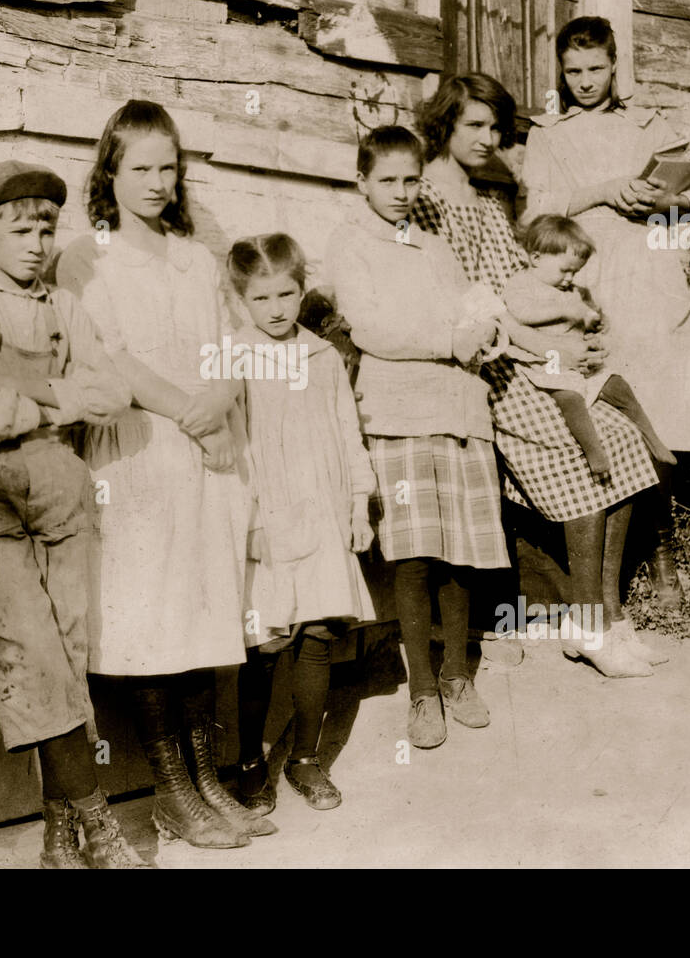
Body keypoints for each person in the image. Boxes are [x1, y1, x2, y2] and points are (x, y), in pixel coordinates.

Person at [57, 99, 273, 848]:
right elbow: (110, 359)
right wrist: (195, 416)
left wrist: (222, 401)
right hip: (142, 453)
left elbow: (223, 344)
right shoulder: (87, 258)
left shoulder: (196, 257)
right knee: (152, 619)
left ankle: (208, 780)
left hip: (209, 451)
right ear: (109, 171)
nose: (155, 182)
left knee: (203, 612)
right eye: (139, 168)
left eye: (167, 168)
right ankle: (170, 792)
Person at [409, 74, 664, 677]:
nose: (488, 138)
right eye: (474, 125)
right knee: (580, 452)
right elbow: (470, 305)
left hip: (524, 357)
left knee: (623, 440)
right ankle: (589, 625)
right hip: (479, 368)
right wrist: (545, 353)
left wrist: (564, 343)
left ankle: (604, 614)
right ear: (444, 124)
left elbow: (521, 293)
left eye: (496, 128)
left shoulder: (493, 209)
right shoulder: (419, 201)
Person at [0, 160, 145, 868]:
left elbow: (115, 390)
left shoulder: (65, 306)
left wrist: (33, 398)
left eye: (48, 228)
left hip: (64, 483)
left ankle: (61, 838)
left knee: (71, 654)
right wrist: (60, 396)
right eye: (20, 228)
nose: (36, 242)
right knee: (29, 654)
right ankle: (101, 825)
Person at [326, 124, 509, 749]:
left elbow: (472, 307)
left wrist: (482, 329)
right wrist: (448, 337)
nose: (401, 192)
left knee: (459, 549)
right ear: (362, 182)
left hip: (458, 408)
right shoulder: (350, 245)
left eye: (411, 180)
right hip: (399, 411)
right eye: (388, 181)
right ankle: (423, 688)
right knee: (414, 551)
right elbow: (375, 326)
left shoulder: (434, 246)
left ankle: (458, 675)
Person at [520, 16, 690, 604]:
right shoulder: (549, 135)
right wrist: (602, 190)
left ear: (615, 65)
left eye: (596, 68)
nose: (584, 80)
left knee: (662, 407)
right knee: (609, 404)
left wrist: (667, 197)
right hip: (592, 280)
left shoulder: (649, 125)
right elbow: (535, 213)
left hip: (651, 275)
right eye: (573, 71)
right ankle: (608, 568)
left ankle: (661, 547)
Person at [226, 233, 375, 811]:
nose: (277, 309)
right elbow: (232, 444)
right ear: (242, 300)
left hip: (321, 511)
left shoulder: (324, 356)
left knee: (316, 634)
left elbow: (347, 432)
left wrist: (358, 505)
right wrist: (250, 520)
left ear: (302, 288)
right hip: (264, 516)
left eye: (287, 293)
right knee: (264, 643)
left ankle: (306, 759)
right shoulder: (235, 357)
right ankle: (248, 762)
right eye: (262, 299)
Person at [502, 214, 676, 478]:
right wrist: (565, 310)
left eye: (576, 272)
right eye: (565, 270)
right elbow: (521, 313)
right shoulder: (522, 284)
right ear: (536, 258)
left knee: (618, 385)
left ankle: (653, 438)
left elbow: (589, 315)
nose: (570, 278)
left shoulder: (572, 291)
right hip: (544, 361)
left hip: (579, 360)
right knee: (570, 397)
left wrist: (596, 325)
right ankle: (593, 451)